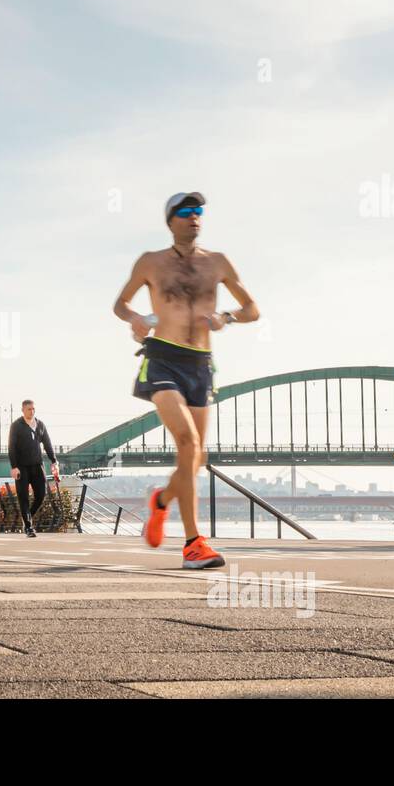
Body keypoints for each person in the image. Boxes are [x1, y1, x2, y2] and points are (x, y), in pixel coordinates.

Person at [113, 191, 259, 569]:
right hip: (162, 359)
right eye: (186, 212)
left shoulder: (218, 263)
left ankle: (160, 502)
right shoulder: (151, 262)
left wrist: (226, 317)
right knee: (187, 441)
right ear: (170, 220)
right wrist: (136, 320)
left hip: (200, 364)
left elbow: (252, 309)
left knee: (196, 456)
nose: (195, 217)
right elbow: (120, 304)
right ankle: (194, 545)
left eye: (199, 212)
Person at [7, 400, 57, 538]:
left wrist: (54, 461)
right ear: (23, 410)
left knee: (41, 495)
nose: (32, 411)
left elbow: (47, 443)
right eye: (29, 409)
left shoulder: (40, 425)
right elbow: (11, 447)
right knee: (23, 497)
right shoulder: (16, 426)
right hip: (21, 468)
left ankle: (27, 518)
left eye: (33, 409)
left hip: (37, 465)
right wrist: (14, 467)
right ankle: (29, 527)